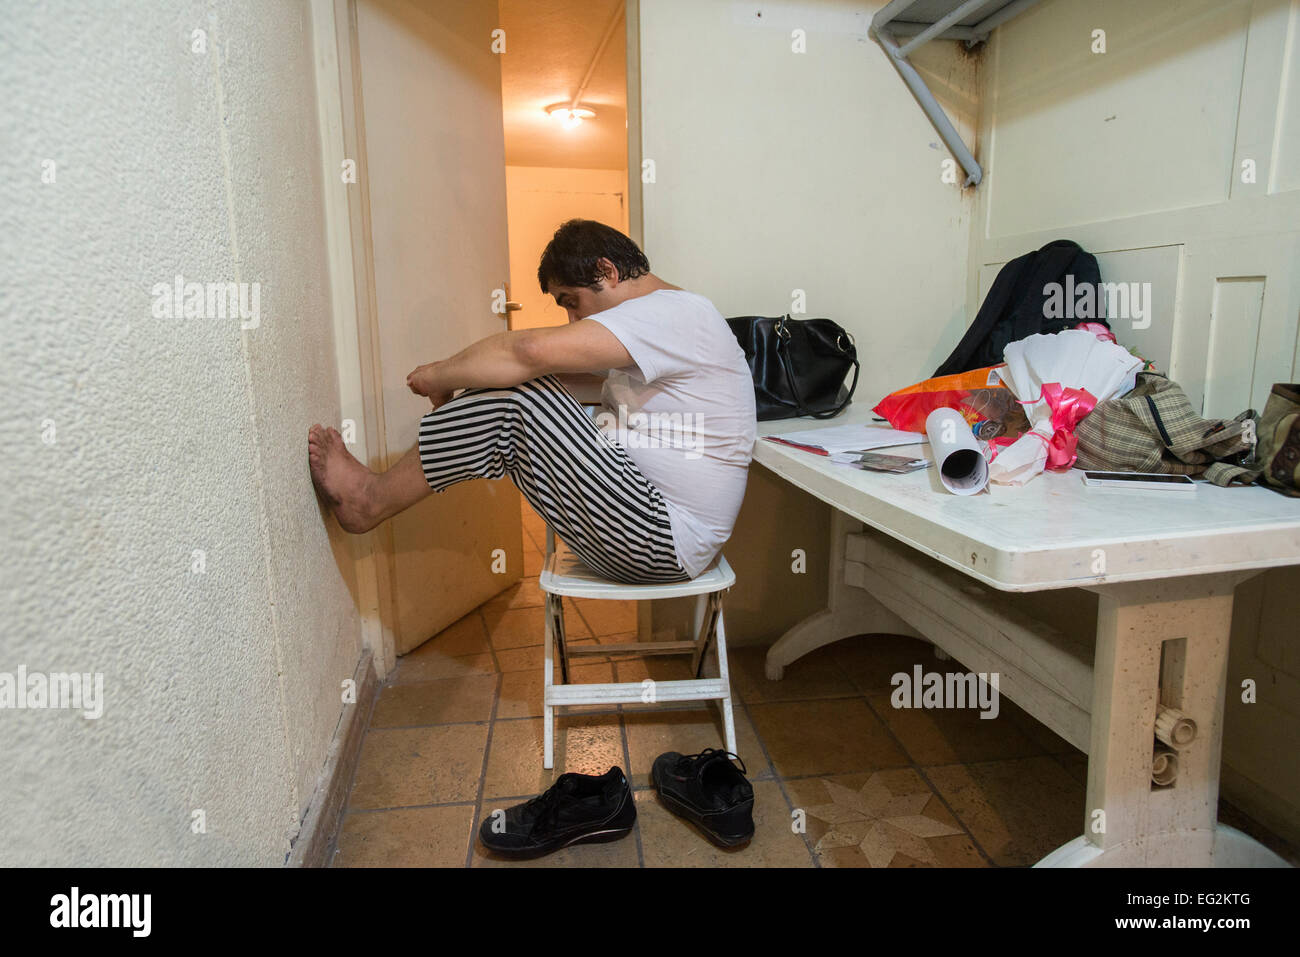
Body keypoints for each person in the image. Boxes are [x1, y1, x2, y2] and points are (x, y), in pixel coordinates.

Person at [308, 219, 757, 584]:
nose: (572, 319)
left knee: (520, 395)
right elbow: (545, 372)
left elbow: (527, 353)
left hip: (661, 539)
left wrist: (437, 374)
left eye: (573, 302)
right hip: (645, 530)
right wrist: (472, 390)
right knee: (522, 387)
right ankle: (380, 489)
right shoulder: (663, 324)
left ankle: (369, 500)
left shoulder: (676, 313)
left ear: (608, 272)